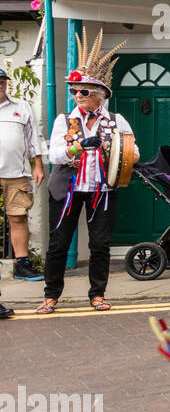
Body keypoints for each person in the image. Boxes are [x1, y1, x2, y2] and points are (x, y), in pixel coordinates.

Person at [40, 33, 139, 314]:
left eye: (84, 91)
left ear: (100, 95)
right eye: (75, 91)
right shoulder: (65, 120)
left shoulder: (117, 121)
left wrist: (112, 148)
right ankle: (51, 296)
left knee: (100, 245)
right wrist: (79, 147)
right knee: (58, 243)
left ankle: (97, 294)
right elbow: (55, 155)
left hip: (102, 190)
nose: (78, 96)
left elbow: (134, 152)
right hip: (68, 188)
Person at [0, 67, 45, 283]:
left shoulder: (21, 106)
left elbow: (34, 137)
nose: (0, 85)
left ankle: (21, 265)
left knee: (18, 217)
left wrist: (38, 165)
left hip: (16, 172)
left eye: (2, 81)